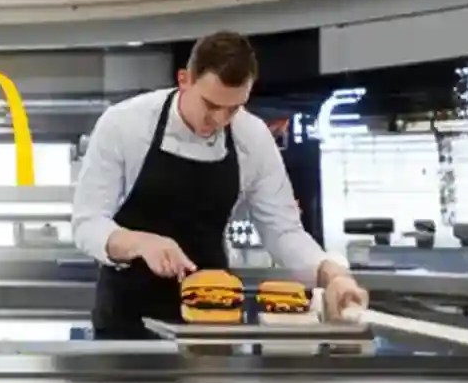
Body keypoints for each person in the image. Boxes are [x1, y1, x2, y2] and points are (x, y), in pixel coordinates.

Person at [72, 30, 368, 339]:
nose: (220, 119)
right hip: (126, 316)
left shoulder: (252, 137)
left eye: (234, 108)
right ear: (184, 79)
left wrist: (333, 274)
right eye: (211, 105)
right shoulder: (124, 124)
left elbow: (283, 231)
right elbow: (87, 224)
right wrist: (140, 243)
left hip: (212, 317)